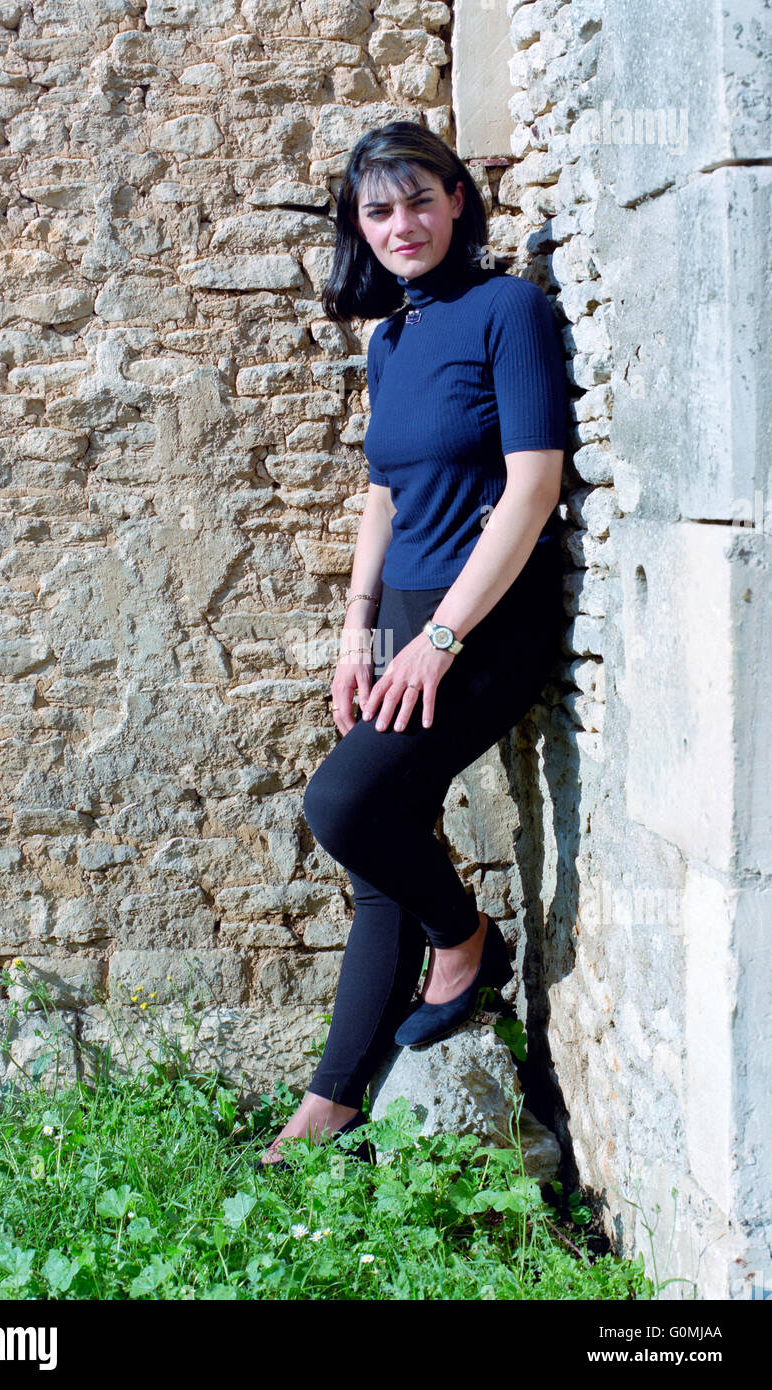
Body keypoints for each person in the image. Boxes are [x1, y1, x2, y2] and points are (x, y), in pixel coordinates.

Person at [256, 121, 567, 1169]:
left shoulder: (505, 311)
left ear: (456, 200)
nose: (402, 225)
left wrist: (437, 636)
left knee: (341, 805)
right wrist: (358, 628)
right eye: (378, 209)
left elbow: (529, 489)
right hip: (401, 615)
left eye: (419, 200)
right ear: (359, 222)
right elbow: (383, 491)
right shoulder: (391, 337)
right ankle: (331, 1101)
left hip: (483, 621)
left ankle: (466, 941)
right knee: (381, 852)